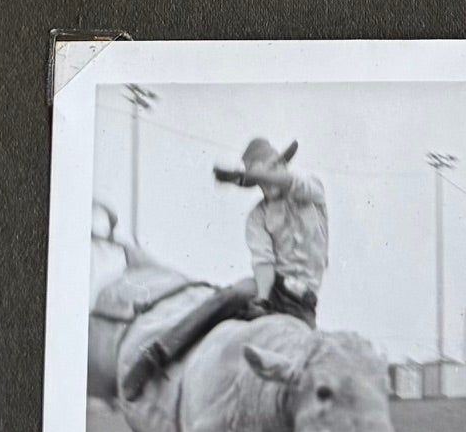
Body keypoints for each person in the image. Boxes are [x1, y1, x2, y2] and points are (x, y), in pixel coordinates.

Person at [119, 139, 327, 401]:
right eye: (261, 179)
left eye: (272, 172)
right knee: (229, 297)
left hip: (304, 303)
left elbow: (291, 182)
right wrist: (262, 298)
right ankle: (155, 356)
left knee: (313, 369)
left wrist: (248, 174)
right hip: (273, 286)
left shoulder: (311, 193)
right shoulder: (258, 217)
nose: (268, 182)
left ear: (282, 170)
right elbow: (263, 262)